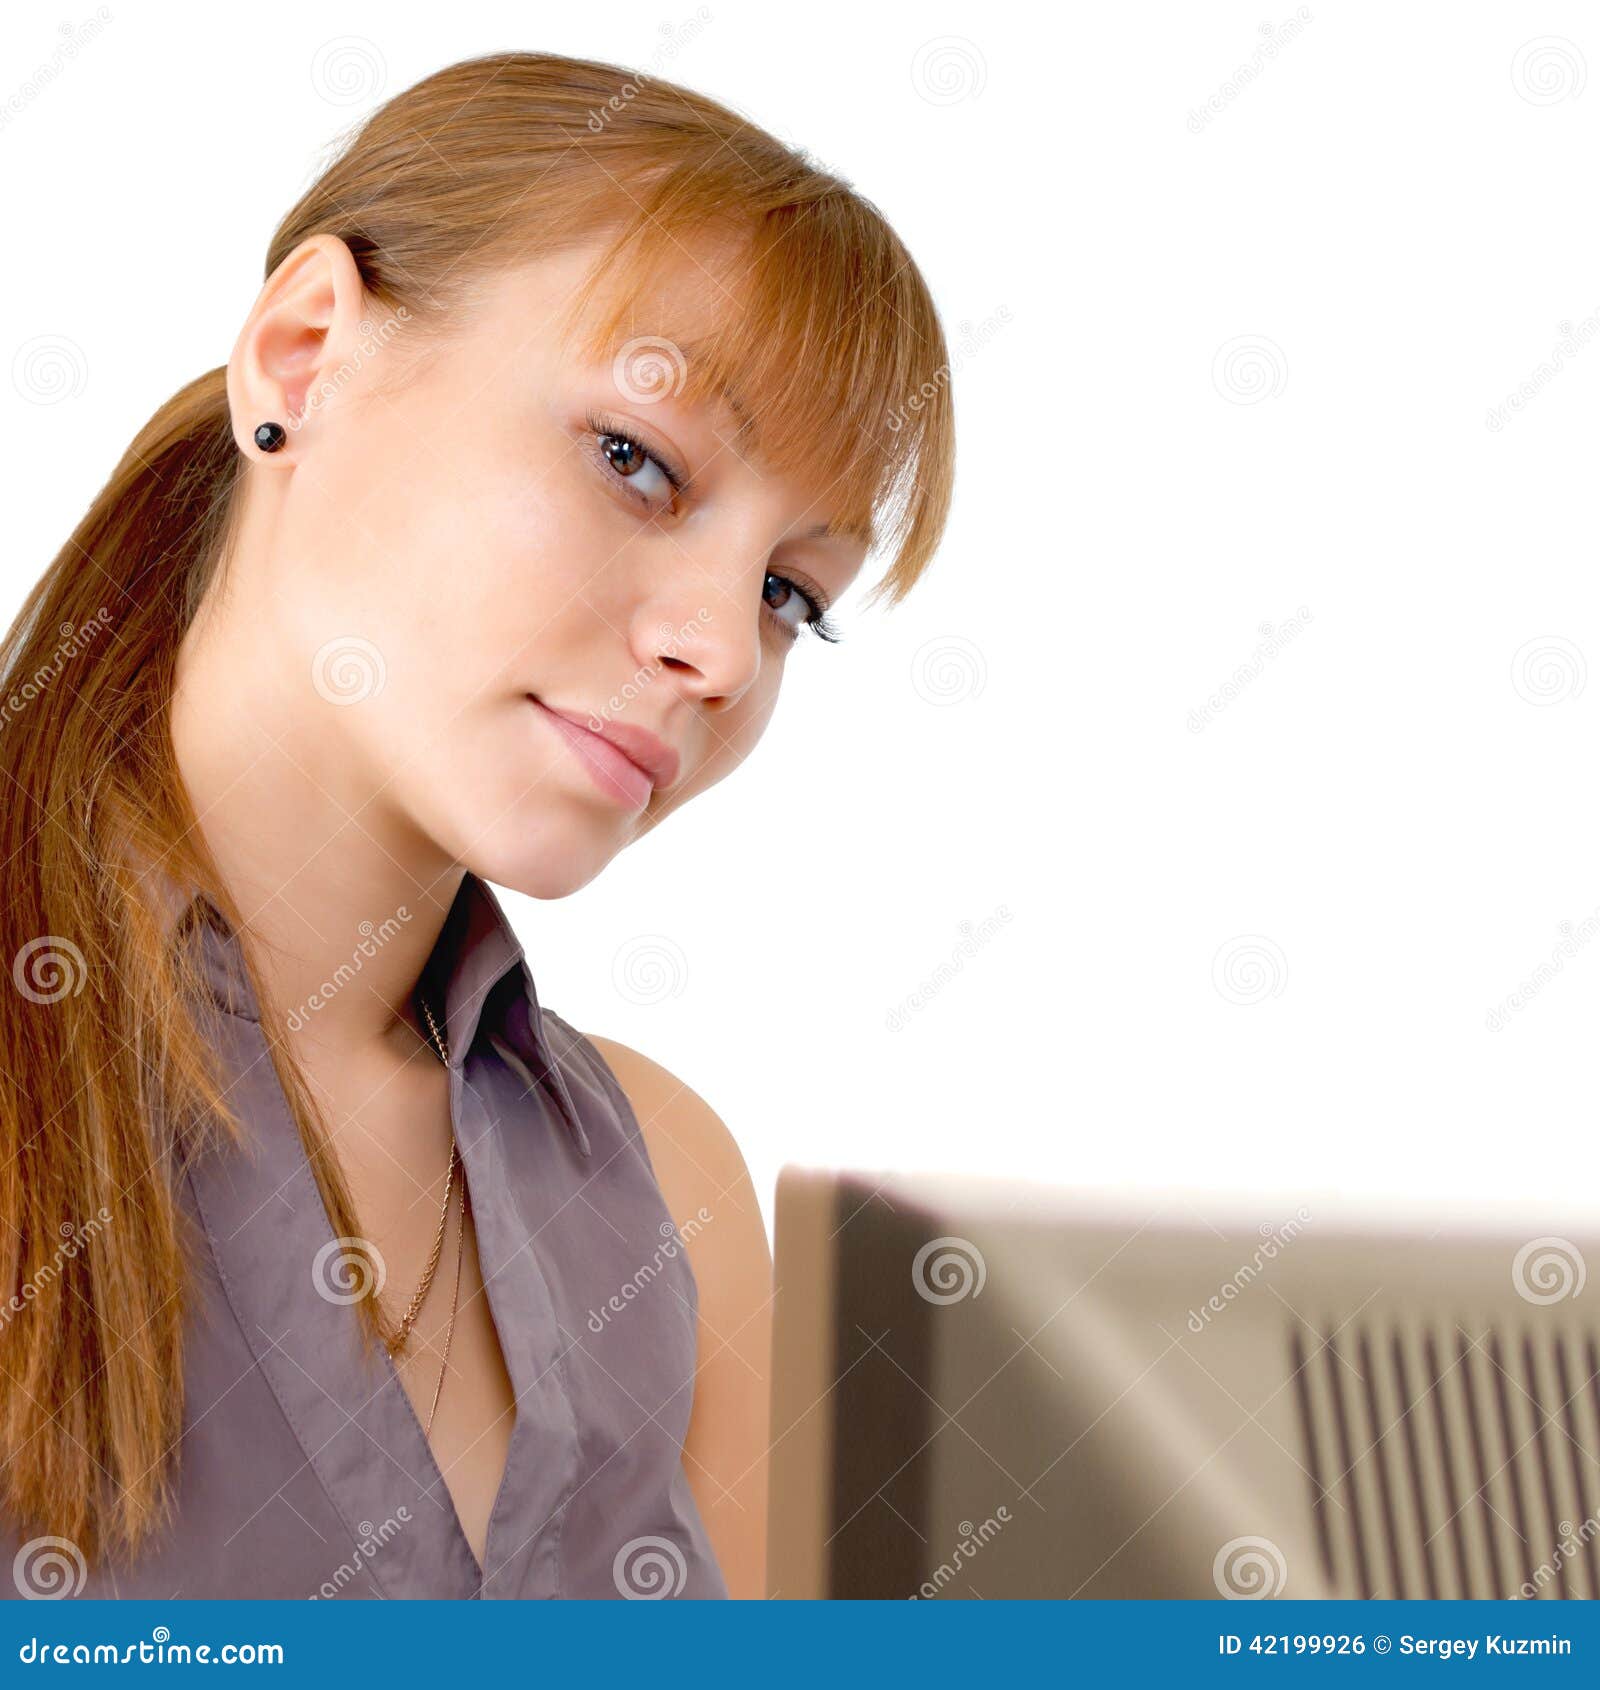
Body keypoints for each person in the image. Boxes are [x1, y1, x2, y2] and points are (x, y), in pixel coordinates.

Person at [0, 49, 954, 1600]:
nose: (718, 649)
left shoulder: (671, 1194)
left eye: (791, 593)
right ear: (305, 359)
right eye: (635, 460)